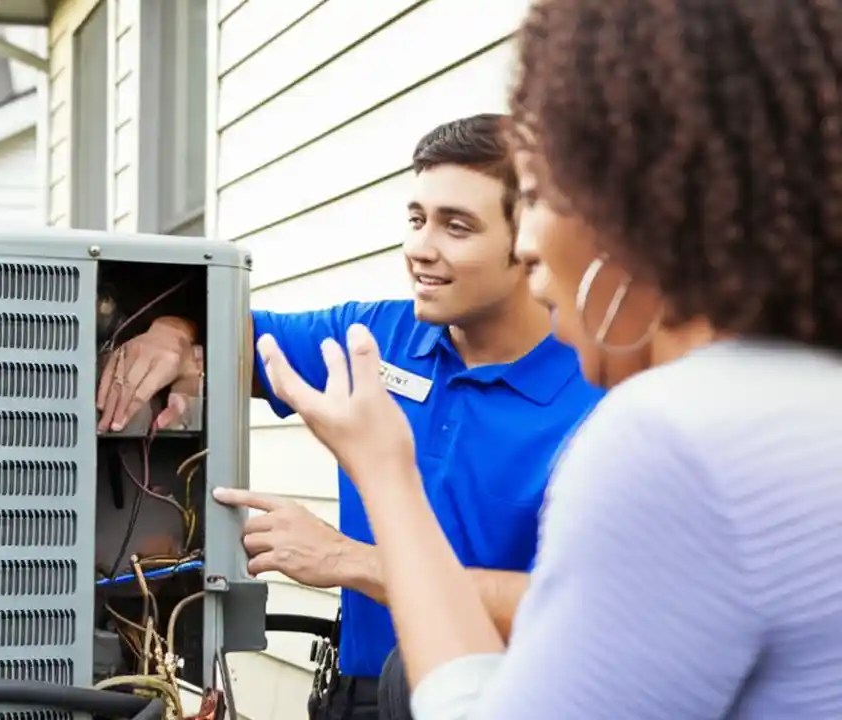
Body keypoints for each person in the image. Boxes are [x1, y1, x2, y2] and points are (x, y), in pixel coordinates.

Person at [251, 0, 842, 718]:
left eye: (538, 195)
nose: (530, 244)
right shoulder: (803, 400)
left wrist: (385, 474)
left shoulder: (670, 436)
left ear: (631, 201)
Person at [97, 114, 603, 720]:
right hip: (361, 697)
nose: (421, 248)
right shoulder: (377, 337)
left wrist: (348, 561)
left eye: (457, 227)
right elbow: (235, 329)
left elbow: (574, 609)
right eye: (417, 219)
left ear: (530, 245)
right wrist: (174, 334)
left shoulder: (599, 396)